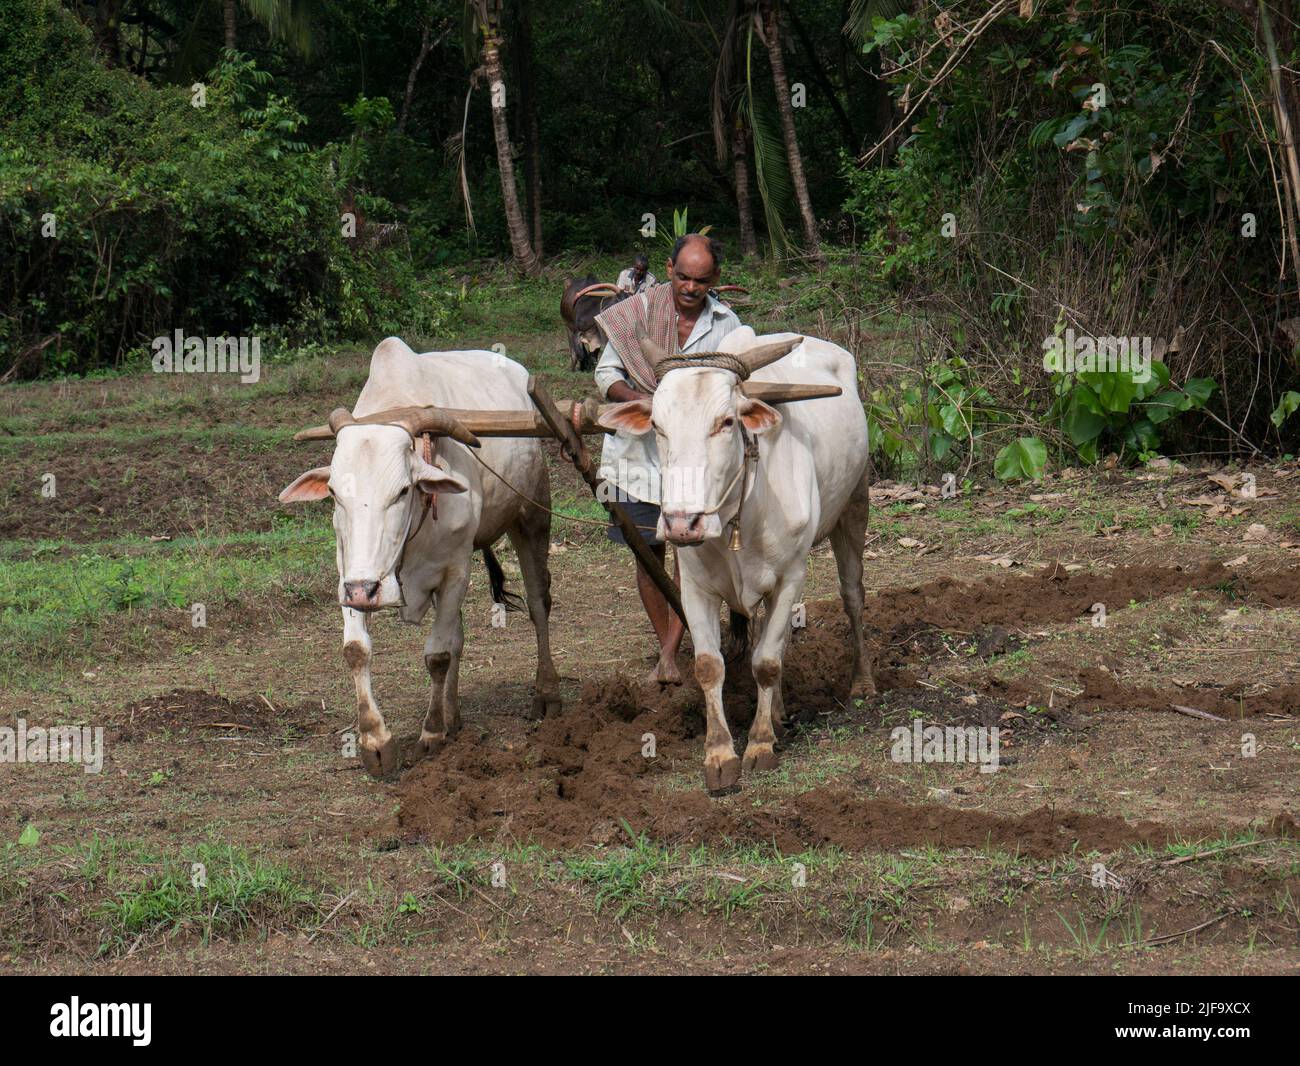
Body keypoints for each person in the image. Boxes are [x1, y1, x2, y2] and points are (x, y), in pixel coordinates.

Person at [593, 234, 741, 684]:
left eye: (700, 280)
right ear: (669, 269)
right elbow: (606, 375)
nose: (690, 288)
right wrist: (648, 403)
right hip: (637, 457)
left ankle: (674, 653)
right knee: (648, 555)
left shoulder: (727, 325)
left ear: (714, 279)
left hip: (698, 467)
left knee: (690, 556)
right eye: (682, 277)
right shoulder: (637, 313)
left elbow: (735, 393)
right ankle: (667, 647)